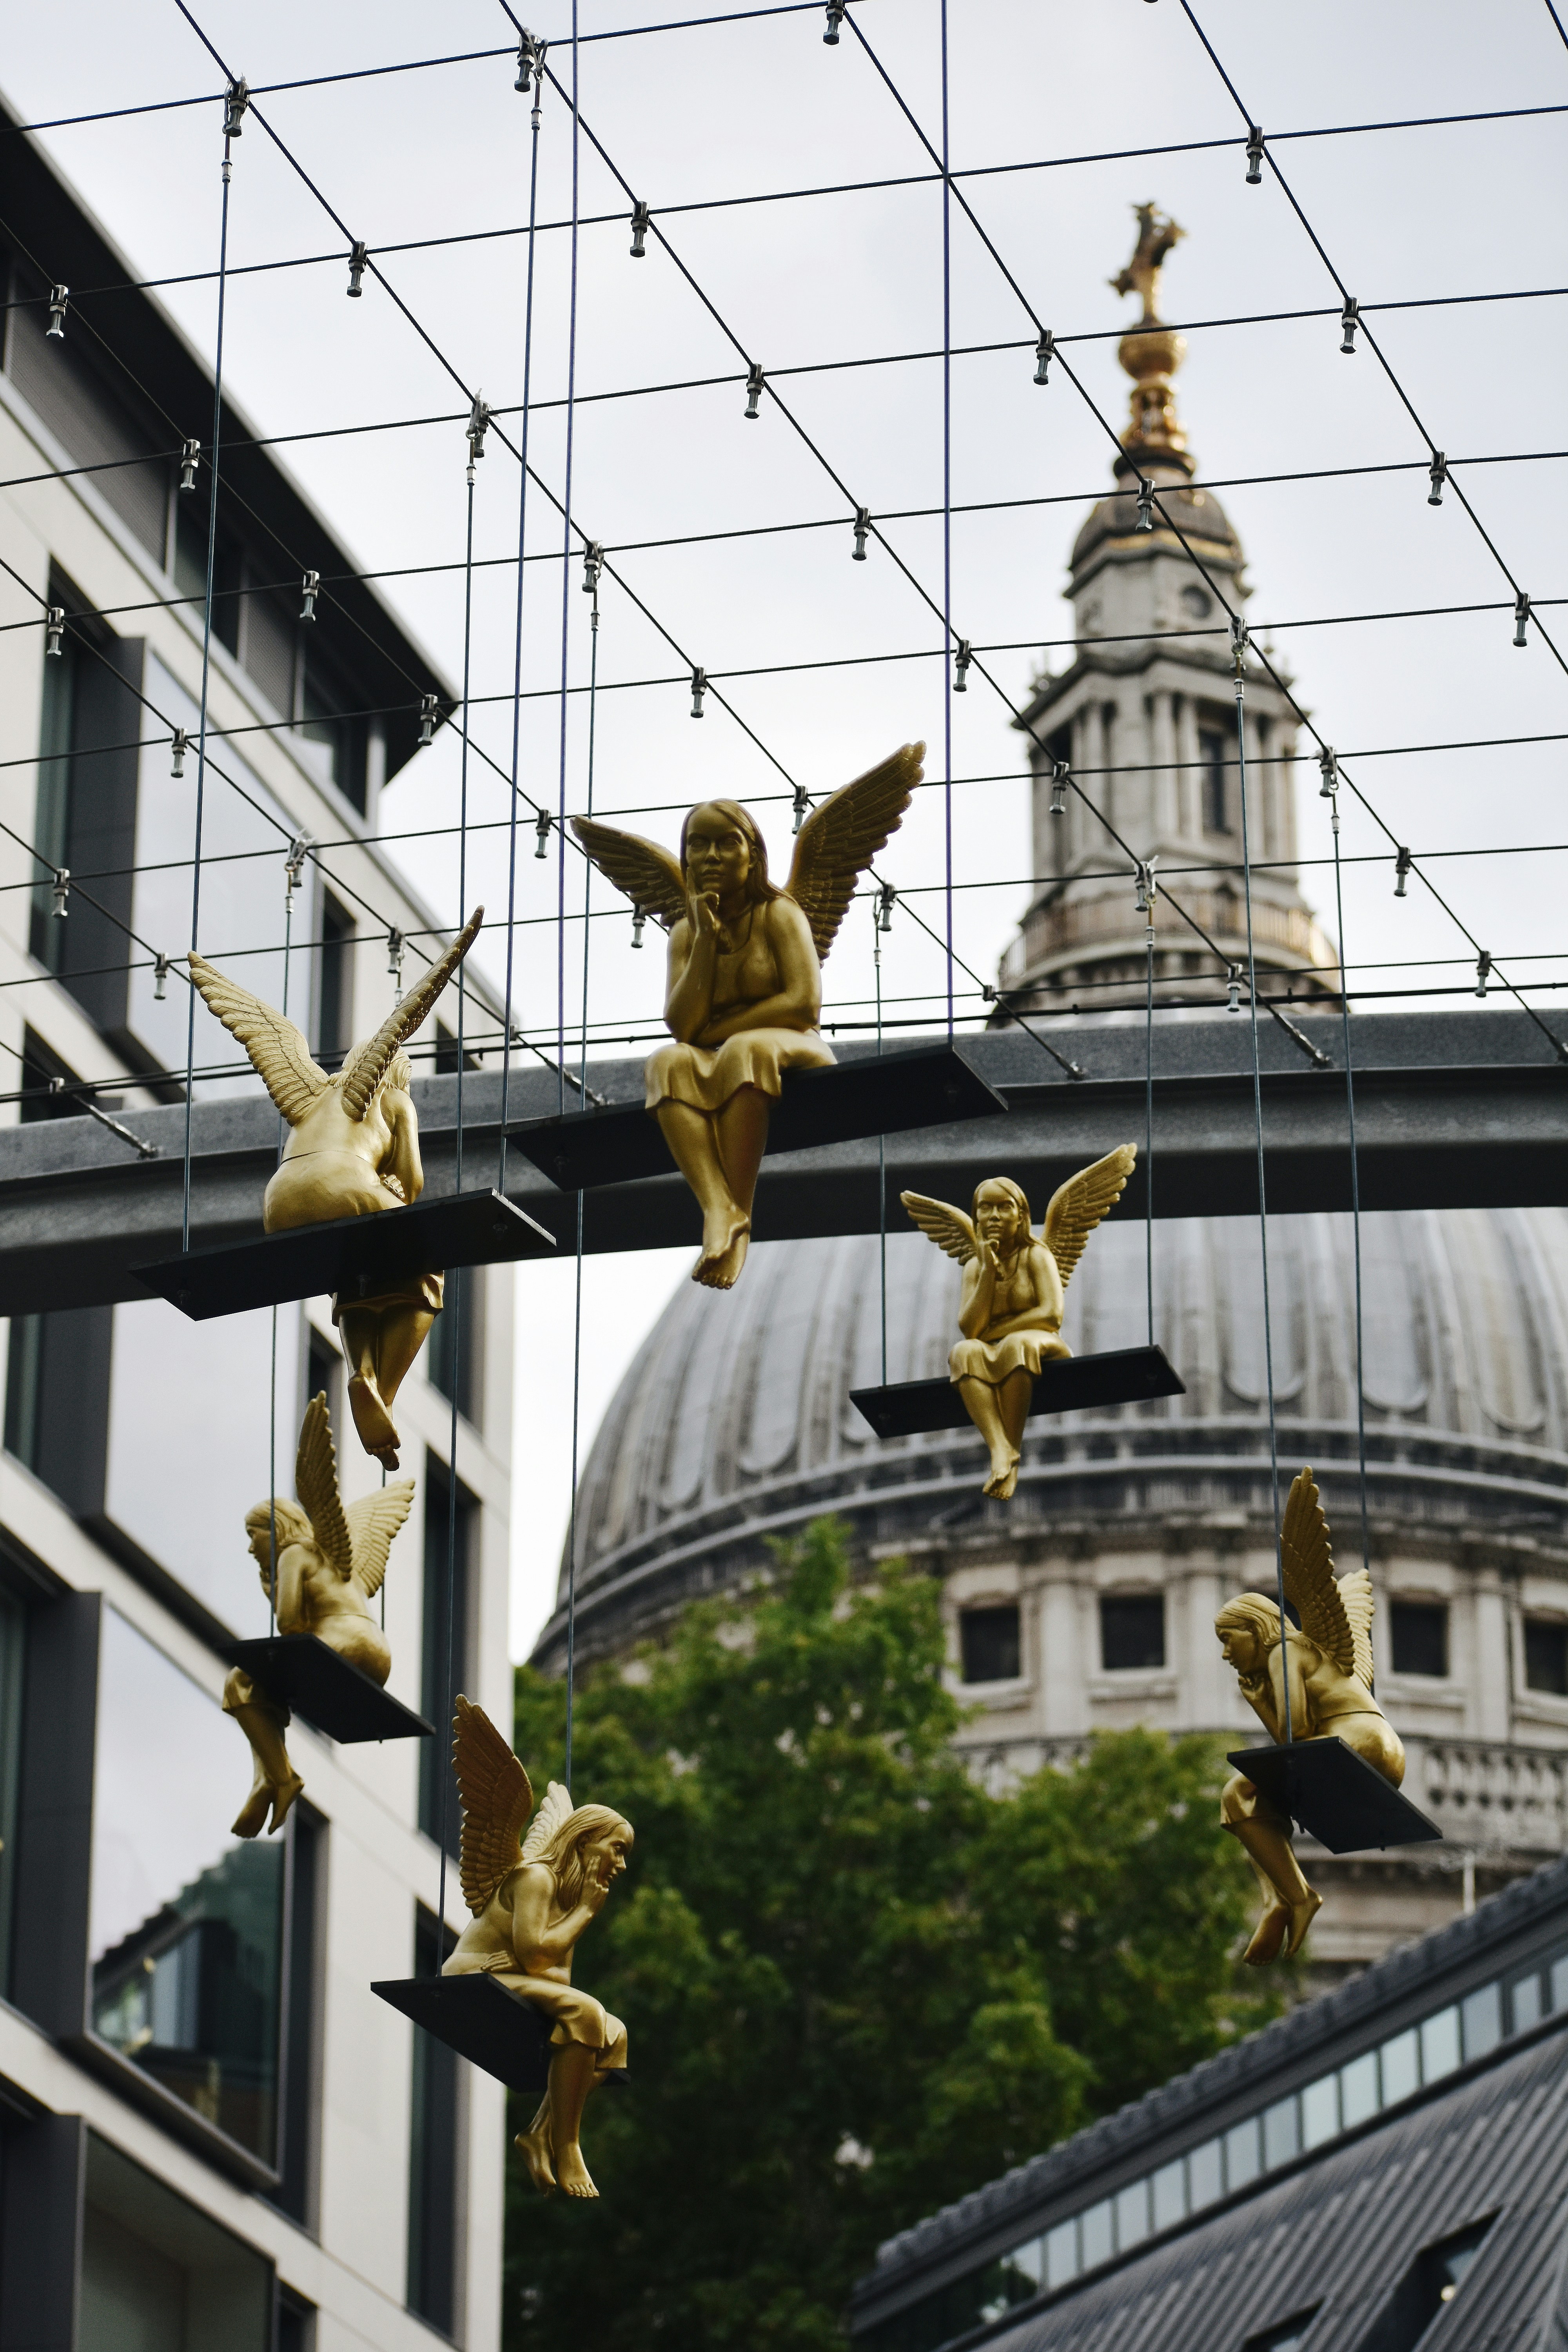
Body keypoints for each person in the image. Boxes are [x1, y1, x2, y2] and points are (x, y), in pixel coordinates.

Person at [646, 800, 832, 1291]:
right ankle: (718, 1209)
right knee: (666, 1064)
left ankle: (740, 1215)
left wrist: (714, 1032)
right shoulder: (687, 933)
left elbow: (803, 1004)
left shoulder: (779, 914)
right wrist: (706, 939)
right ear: (686, 858)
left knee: (743, 1050)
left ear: (753, 855)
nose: (711, 855)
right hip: (724, 1057)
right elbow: (681, 1027)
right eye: (698, 844)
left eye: (727, 842)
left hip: (797, 1050)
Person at [445, 1799, 634, 2200]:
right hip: (473, 1974)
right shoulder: (537, 1878)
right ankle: (567, 2147)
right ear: (585, 1842)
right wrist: (584, 1913)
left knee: (615, 2034)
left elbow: (558, 1975)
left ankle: (538, 2133)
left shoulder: (567, 1894)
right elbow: (537, 1958)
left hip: (505, 1975)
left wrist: (532, 1955)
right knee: (586, 2013)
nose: (621, 1865)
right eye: (617, 1849)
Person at [1216, 1589, 1405, 1965]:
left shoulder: (1285, 1651)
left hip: (1360, 1744)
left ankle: (1297, 1898)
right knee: (1260, 1798)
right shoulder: (1302, 1651)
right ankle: (1279, 1901)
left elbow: (1295, 1732)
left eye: (1228, 1640)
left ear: (1254, 1629)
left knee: (1236, 1793)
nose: (1226, 1654)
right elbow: (1292, 1746)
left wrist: (1261, 1705)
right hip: (1382, 1750)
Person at [947, 1178, 1071, 1500]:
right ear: (976, 1217)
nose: (994, 1216)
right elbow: (970, 1330)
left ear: (1022, 1216)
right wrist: (988, 1271)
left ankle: (1012, 1454)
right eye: (985, 1208)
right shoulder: (976, 1266)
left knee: (1019, 1344)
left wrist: (994, 1333)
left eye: (1005, 1207)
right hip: (997, 1351)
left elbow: (1050, 1315)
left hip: (1045, 1346)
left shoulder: (1036, 1256)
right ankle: (999, 1448)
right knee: (963, 1353)